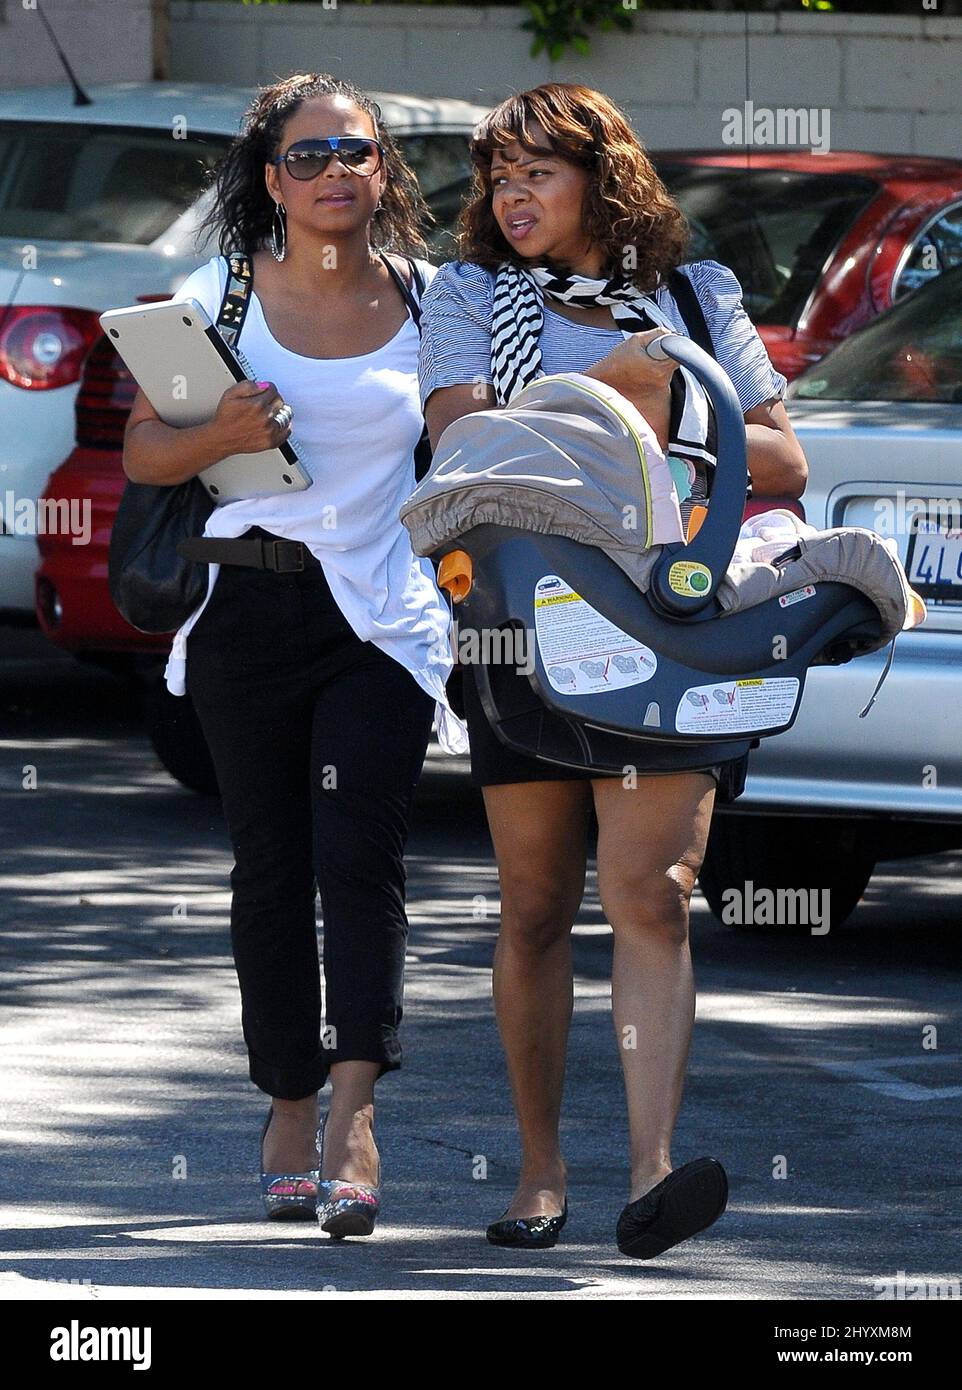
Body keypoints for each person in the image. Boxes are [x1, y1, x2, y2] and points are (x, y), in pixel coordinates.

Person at [417, 82, 808, 1256]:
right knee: (533, 905)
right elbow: (461, 448)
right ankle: (539, 1171)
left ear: (602, 176)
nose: (511, 194)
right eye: (499, 175)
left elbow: (781, 455)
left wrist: (678, 395)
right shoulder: (469, 293)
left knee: (652, 895)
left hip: (670, 631)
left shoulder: (694, 295)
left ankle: (651, 1169)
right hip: (519, 631)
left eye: (538, 170)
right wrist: (614, 397)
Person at [122, 72, 465, 1237]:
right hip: (247, 615)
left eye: (353, 153)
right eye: (307, 156)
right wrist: (216, 434)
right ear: (272, 179)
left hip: (377, 620)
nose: (332, 174)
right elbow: (142, 459)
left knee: (355, 863)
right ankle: (284, 1099)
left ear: (383, 170)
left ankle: (353, 1116)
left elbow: (470, 453)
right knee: (268, 868)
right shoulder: (216, 294)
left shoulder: (433, 303)